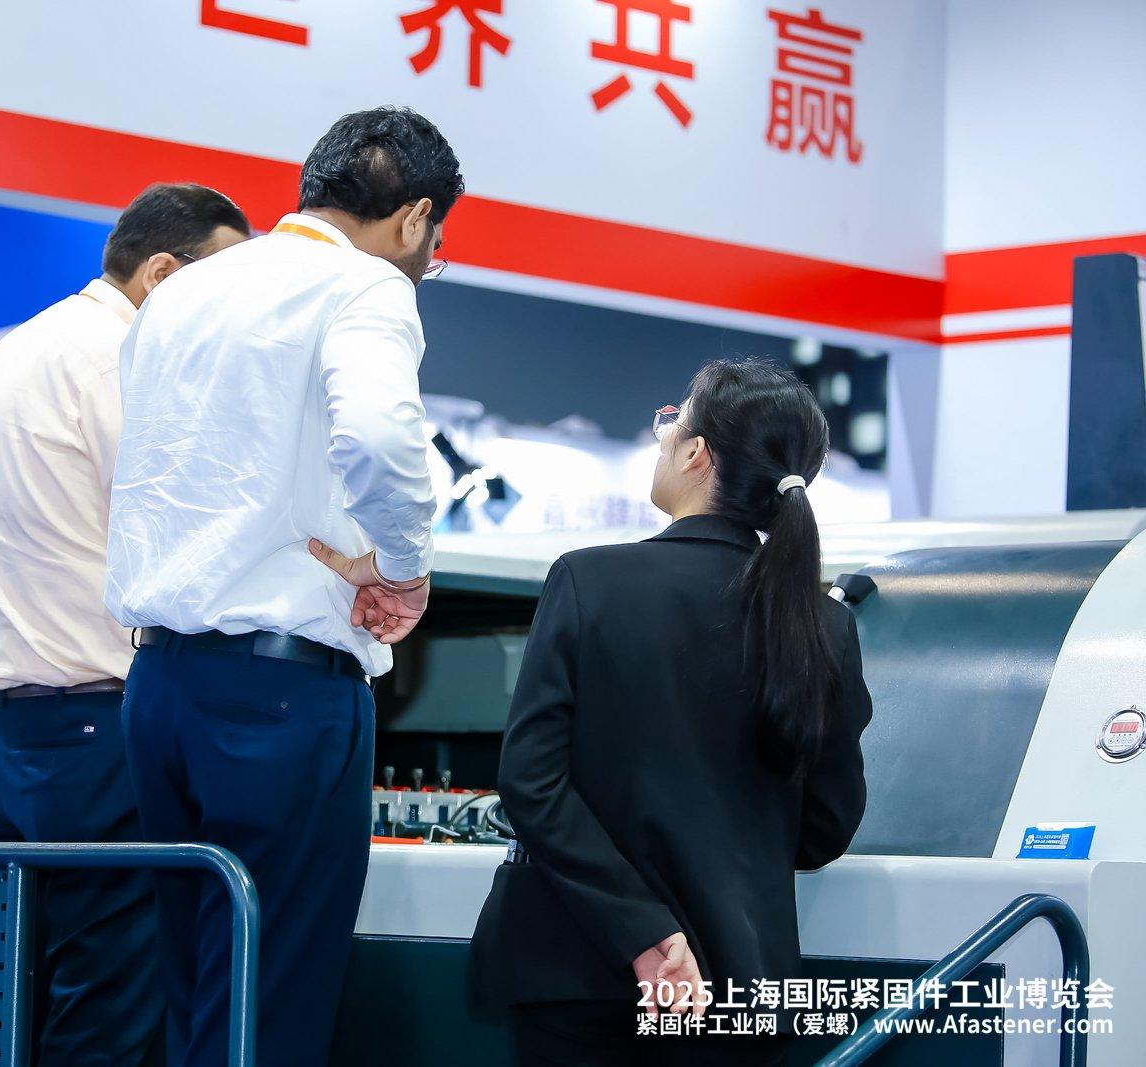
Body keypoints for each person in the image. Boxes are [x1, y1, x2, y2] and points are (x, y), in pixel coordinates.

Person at [105, 106, 463, 1066]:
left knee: (196, 991)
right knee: (274, 1001)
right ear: (415, 219)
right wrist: (402, 567)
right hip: (282, 693)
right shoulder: (367, 286)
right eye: (433, 246)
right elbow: (381, 440)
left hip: (157, 686)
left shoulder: (182, 291)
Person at [468, 360, 874, 1066]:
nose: (662, 435)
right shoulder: (824, 623)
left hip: (579, 972)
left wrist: (645, 930)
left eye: (673, 421)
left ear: (697, 454)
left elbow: (531, 783)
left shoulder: (588, 581)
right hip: (740, 983)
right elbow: (824, 829)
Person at [0, 182, 251, 1065]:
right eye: (223, 287)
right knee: (115, 1008)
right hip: (100, 724)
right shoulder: (121, 361)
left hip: (20, 726)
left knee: (45, 995)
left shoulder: (19, 349)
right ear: (163, 274)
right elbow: (185, 533)